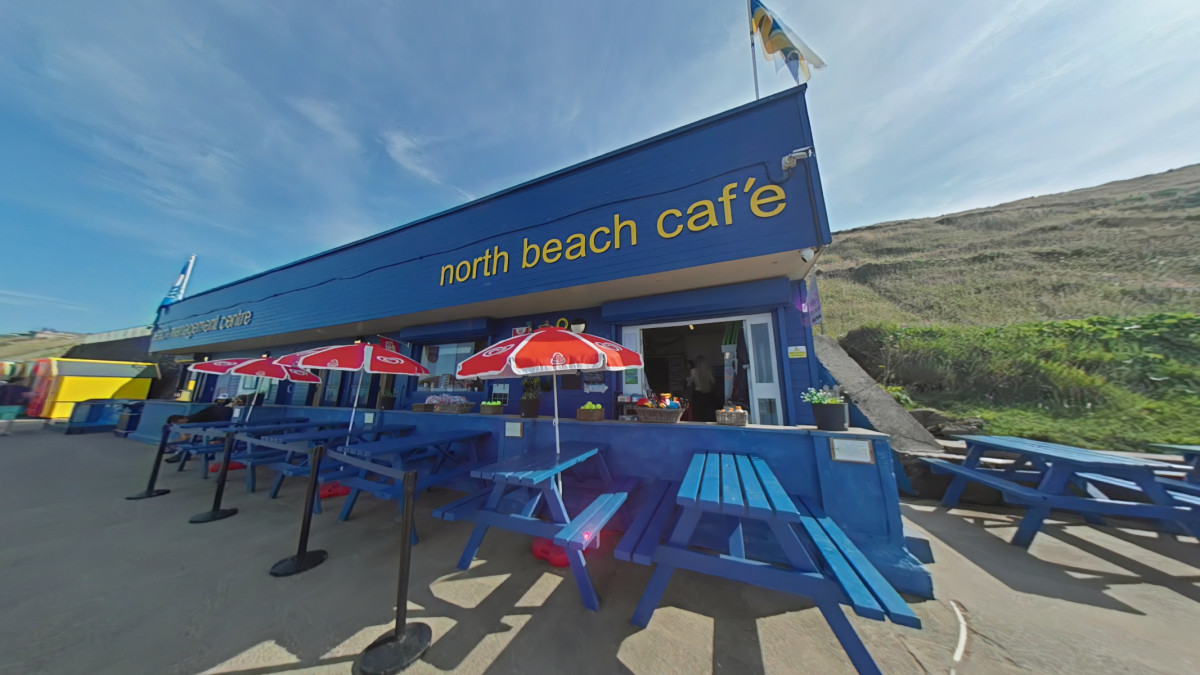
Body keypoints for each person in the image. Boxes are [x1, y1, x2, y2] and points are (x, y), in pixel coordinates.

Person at [163, 394, 234, 461]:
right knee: (188, 439)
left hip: (215, 433)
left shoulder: (199, 416)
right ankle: (179, 453)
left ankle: (180, 454)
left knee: (188, 440)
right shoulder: (225, 410)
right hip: (217, 432)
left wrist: (184, 434)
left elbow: (186, 436)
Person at [688, 356, 716, 422]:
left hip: (697, 395)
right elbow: (713, 381)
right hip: (708, 394)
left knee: (698, 415)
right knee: (707, 415)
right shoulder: (708, 371)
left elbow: (691, 383)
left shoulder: (693, 371)